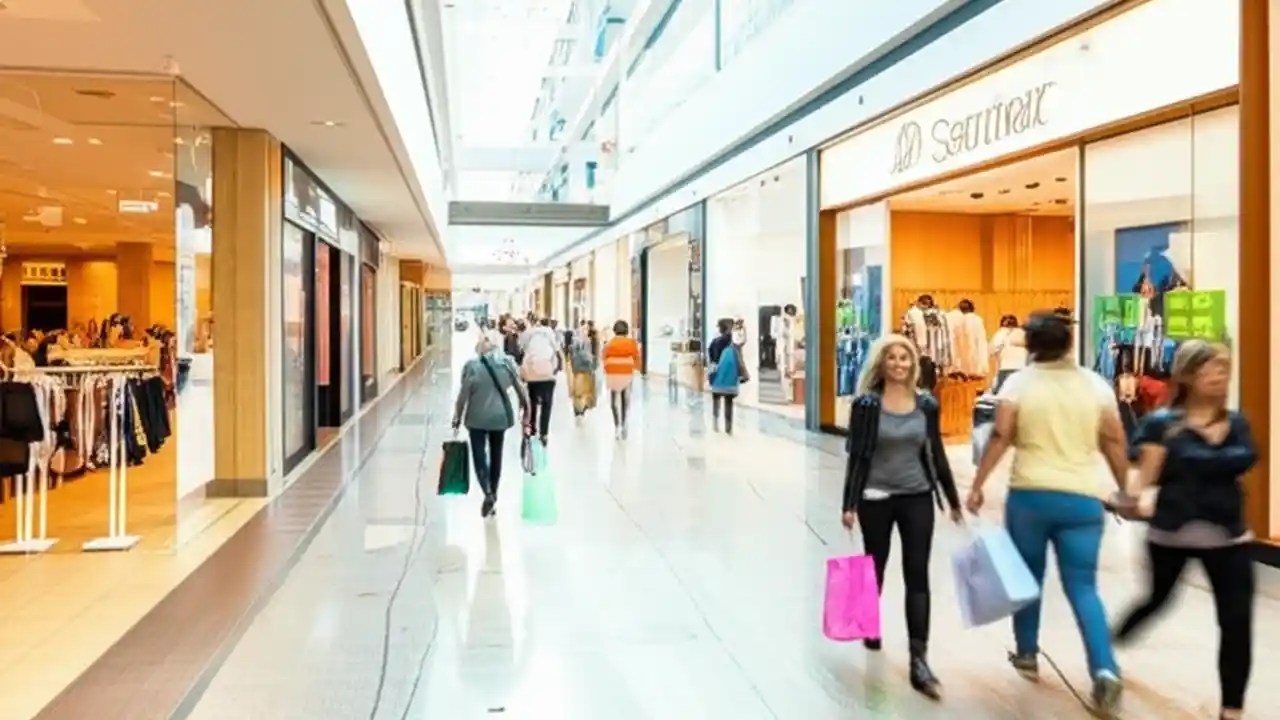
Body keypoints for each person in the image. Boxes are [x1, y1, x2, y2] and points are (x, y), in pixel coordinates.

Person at [966, 311, 1128, 716]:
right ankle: (1105, 670)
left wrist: (977, 484)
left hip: (1030, 497)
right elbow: (1114, 441)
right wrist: (1127, 489)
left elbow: (1002, 436)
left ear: (1031, 345)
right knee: (1084, 588)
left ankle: (1026, 653)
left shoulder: (1019, 383)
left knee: (1027, 579)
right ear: (1069, 343)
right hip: (1082, 501)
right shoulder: (1095, 385)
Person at [1111, 340, 1255, 720]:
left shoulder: (1237, 422)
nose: (1221, 377)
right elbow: (1144, 476)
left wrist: (1196, 454)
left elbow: (1246, 457)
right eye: (1212, 370)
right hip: (1172, 534)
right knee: (1157, 600)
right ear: (1189, 375)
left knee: (1237, 622)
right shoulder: (1161, 424)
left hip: (1230, 536)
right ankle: (1111, 642)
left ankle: (1231, 709)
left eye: (1225, 370)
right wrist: (1133, 496)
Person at [840, 333, 962, 700]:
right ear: (881, 363)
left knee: (917, 575)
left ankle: (919, 659)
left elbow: (936, 453)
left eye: (904, 358)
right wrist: (849, 504)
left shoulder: (926, 404)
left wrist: (953, 500)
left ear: (913, 364)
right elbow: (857, 456)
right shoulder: (865, 404)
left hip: (917, 496)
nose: (898, 363)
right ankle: (870, 625)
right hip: (875, 497)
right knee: (873, 568)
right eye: (891, 358)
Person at [452, 334, 530, 518]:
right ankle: (494, 494)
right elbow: (522, 393)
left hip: (476, 419)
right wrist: (525, 413)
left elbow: (462, 396)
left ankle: (487, 491)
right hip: (499, 419)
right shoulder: (506, 367)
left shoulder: (471, 368)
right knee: (497, 456)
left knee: (479, 456)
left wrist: (457, 417)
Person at [519, 317, 560, 446]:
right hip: (547, 373)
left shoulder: (528, 333)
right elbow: (556, 350)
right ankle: (544, 433)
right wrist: (556, 368)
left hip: (532, 373)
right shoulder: (550, 333)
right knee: (547, 404)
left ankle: (532, 429)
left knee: (532, 402)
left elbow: (522, 348)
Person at [601, 320, 642, 439]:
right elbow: (636, 357)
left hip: (613, 373)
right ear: (626, 330)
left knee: (614, 400)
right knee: (625, 398)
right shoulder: (631, 343)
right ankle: (624, 423)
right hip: (626, 372)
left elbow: (603, 356)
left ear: (615, 330)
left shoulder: (609, 344)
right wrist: (637, 368)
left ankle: (617, 425)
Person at [707, 318, 744, 435]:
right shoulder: (734, 344)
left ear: (720, 328)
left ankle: (715, 424)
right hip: (730, 378)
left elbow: (711, 358)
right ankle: (728, 428)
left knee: (716, 400)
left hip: (717, 376)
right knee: (729, 402)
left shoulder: (714, 342)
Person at [569, 322, 597, 418]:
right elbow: (588, 356)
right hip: (584, 367)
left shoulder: (576, 340)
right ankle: (580, 408)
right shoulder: (587, 340)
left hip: (578, 367)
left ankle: (579, 408)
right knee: (583, 389)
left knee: (580, 390)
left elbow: (572, 353)